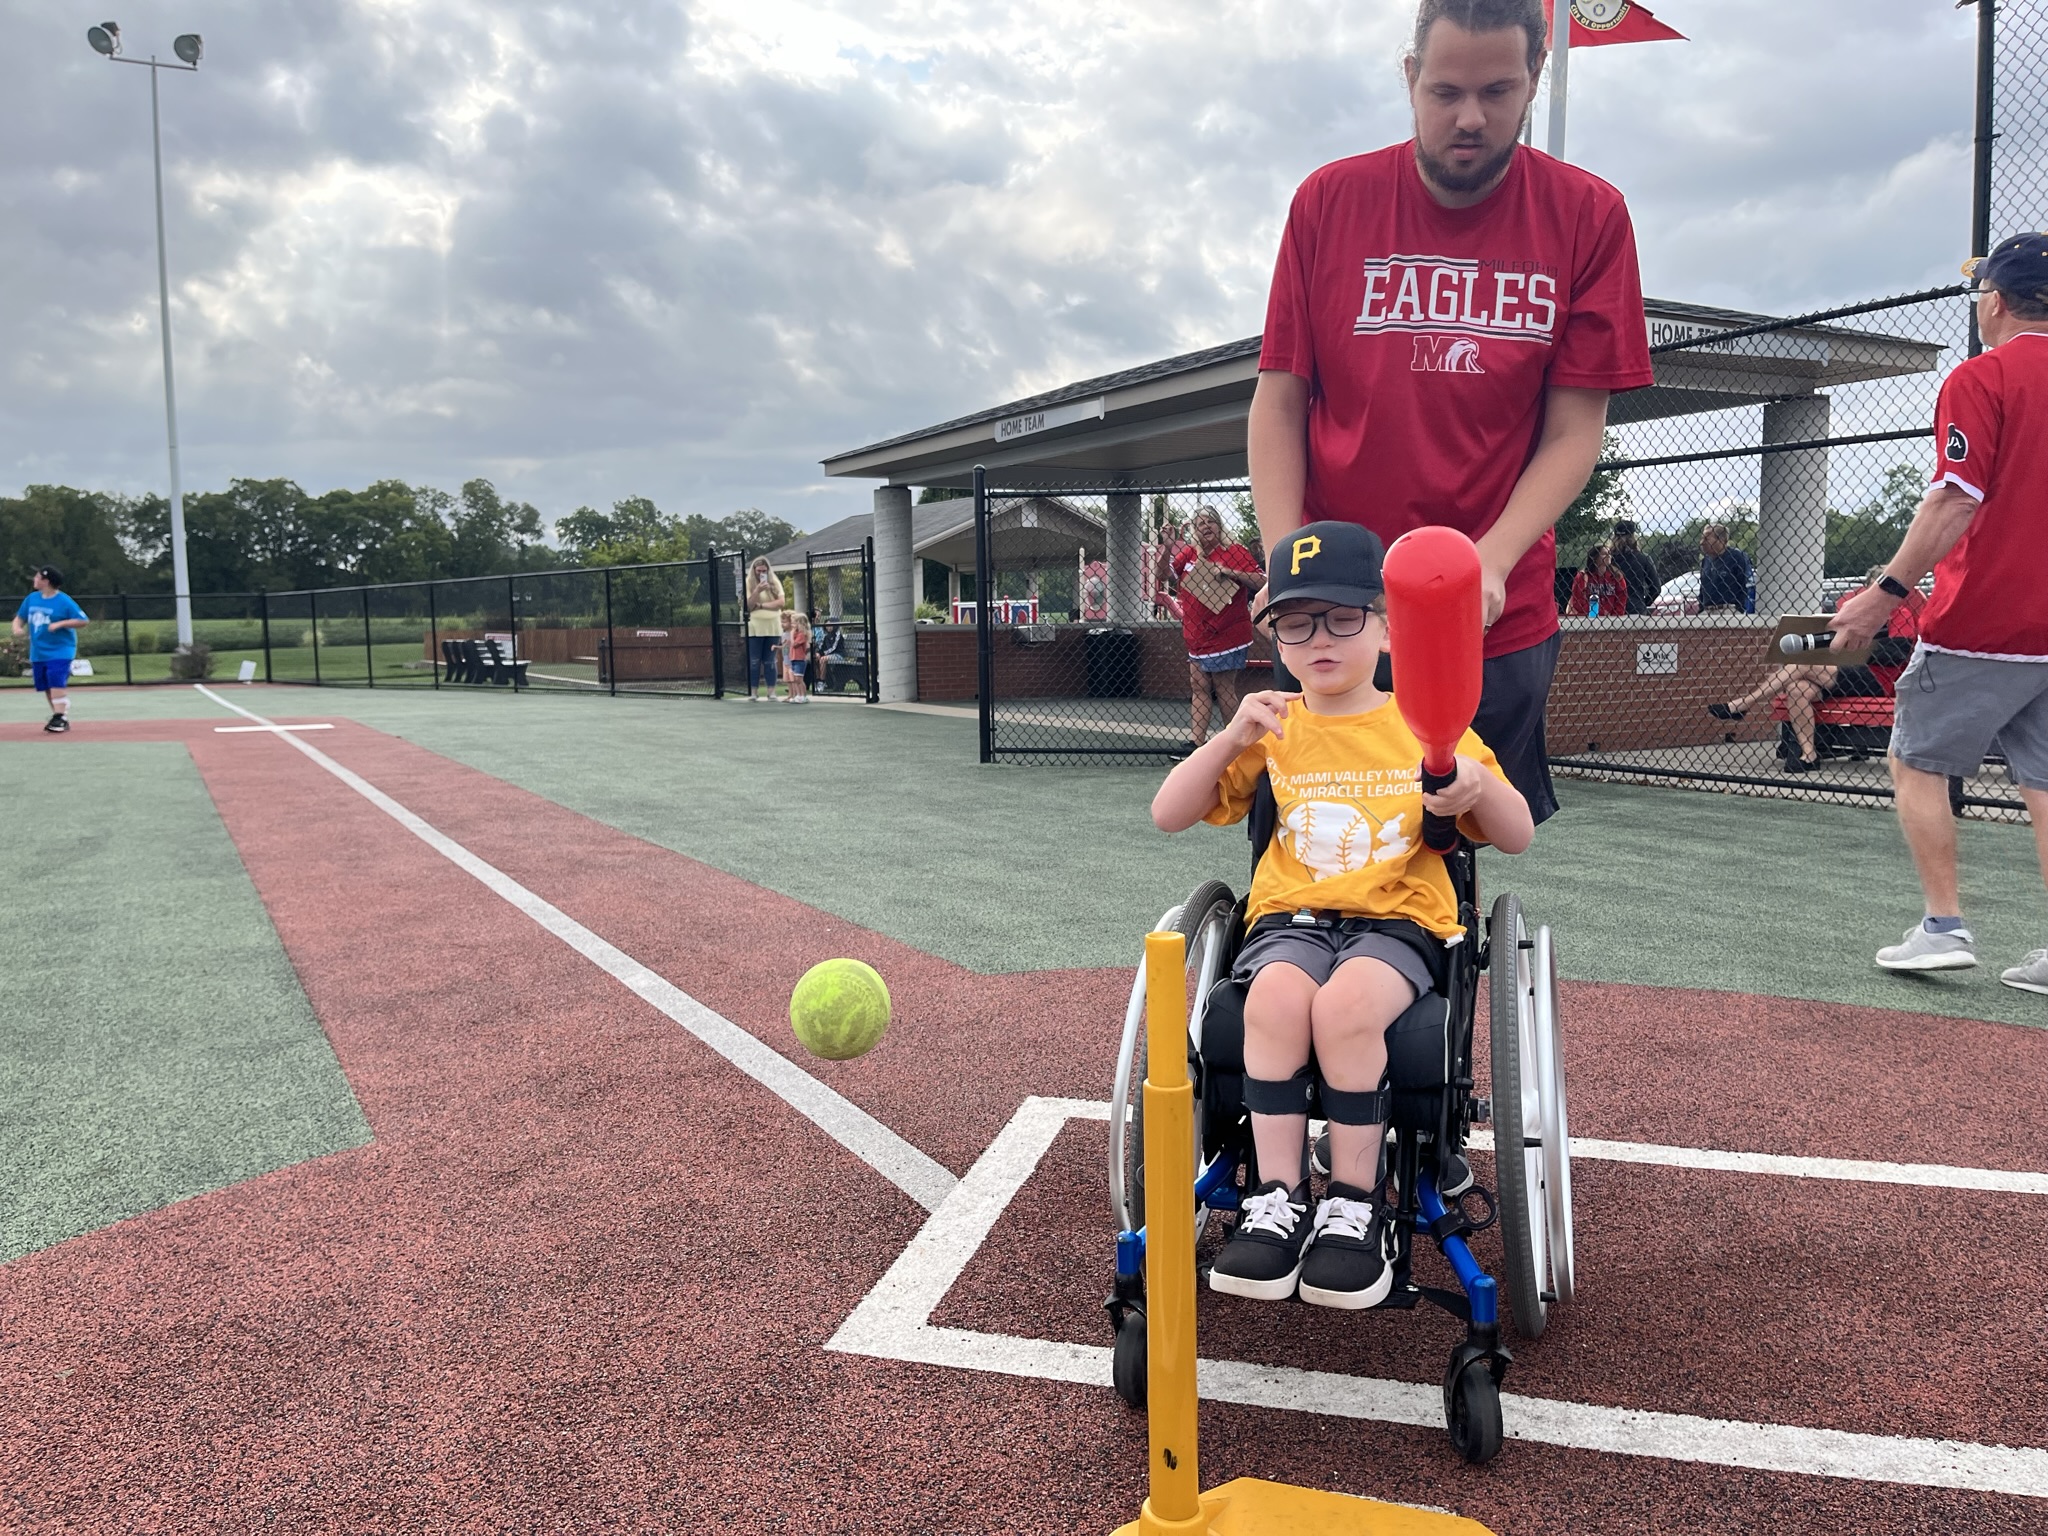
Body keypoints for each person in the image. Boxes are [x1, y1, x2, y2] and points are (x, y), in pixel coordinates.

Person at [1248, 0, 1654, 826]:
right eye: (1445, 92)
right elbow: (1281, 399)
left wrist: (1490, 566)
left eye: (1498, 91)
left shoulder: (1589, 216)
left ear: (1536, 78)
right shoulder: (1329, 202)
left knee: (1457, 839)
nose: (1469, 117)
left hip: (1494, 614)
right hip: (1340, 608)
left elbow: (1576, 431)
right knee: (1311, 843)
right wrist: (1287, 563)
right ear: (1410, 78)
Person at [1151, 523, 1533, 1308]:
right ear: (1277, 639)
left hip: (1396, 925)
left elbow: (1518, 833)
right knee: (1277, 999)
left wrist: (1475, 791)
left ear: (1389, 626)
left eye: (1342, 617)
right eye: (1296, 622)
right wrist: (1231, 737)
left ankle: (1353, 1203)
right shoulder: (1274, 725)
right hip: (1291, 922)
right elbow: (1167, 813)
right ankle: (1279, 1200)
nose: (1318, 638)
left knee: (1349, 1006)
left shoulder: (1430, 722)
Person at [1829, 231, 2048, 990]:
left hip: (1982, 620)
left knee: (1915, 762)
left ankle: (1944, 925)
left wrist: (1880, 597)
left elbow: (1956, 500)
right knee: (2047, 782)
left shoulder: (1981, 377)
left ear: (1994, 301)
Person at [1706, 564, 1922, 772]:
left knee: (1803, 663)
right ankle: (1808, 754)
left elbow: (1896, 654)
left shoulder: (1899, 613)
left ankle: (1743, 704)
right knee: (1798, 688)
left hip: (1877, 679)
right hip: (1841, 672)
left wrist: (1859, 646)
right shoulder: (1852, 615)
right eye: (1873, 588)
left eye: (1882, 589)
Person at [1171, 506, 1265, 751]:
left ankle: (1235, 742)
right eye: (1200, 523)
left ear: (1219, 525)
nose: (1206, 526)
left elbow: (1261, 581)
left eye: (1210, 521)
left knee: (1223, 688)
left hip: (1227, 633)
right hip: (1196, 635)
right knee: (1199, 686)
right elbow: (1164, 575)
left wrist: (1229, 572)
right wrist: (1169, 546)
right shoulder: (1190, 554)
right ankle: (1195, 742)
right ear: (1194, 529)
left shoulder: (1235, 551)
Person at [14, 566, 88, 734]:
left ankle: (60, 716)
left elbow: (82, 620)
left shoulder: (63, 601)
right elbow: (20, 618)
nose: (34, 578)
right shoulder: (32, 598)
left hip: (61, 650)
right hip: (39, 651)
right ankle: (59, 716)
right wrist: (17, 628)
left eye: (37, 576)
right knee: (46, 685)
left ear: (46, 581)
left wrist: (61, 624)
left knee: (55, 679)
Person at [744, 557, 784, 701]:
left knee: (770, 661)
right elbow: (748, 605)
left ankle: (771, 691)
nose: (761, 573)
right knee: (754, 661)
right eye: (759, 570)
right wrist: (757, 591)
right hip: (754, 627)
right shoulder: (748, 583)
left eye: (764, 571)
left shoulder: (774, 582)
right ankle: (753, 692)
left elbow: (781, 602)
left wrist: (761, 605)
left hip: (773, 626)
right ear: (754, 570)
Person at [1697, 524, 1753, 614]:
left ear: (1722, 541)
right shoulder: (1706, 560)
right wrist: (1701, 609)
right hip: (1707, 610)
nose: (1702, 542)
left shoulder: (1737, 557)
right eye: (1702, 538)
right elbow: (1702, 589)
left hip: (1729, 610)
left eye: (1707, 539)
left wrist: (1739, 609)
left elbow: (1746, 585)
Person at [1608, 520, 1658, 615]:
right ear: (1633, 537)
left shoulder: (1607, 558)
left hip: (1611, 607)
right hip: (1636, 608)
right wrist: (1643, 603)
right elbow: (1656, 588)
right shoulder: (1643, 558)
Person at [1567, 545, 1627, 617]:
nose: (1608, 556)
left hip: (1611, 618)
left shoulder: (1617, 576)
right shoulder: (1583, 576)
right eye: (1604, 554)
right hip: (1588, 618)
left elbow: (1622, 598)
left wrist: (1615, 615)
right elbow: (1577, 601)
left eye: (1609, 553)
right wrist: (1600, 612)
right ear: (1595, 557)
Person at [783, 612, 812, 704]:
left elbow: (795, 644)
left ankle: (802, 696)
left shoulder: (802, 634)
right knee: (796, 679)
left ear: (800, 623)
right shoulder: (796, 634)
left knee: (799, 679)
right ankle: (799, 695)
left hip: (800, 659)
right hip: (794, 658)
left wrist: (791, 634)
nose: (792, 625)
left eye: (794, 623)